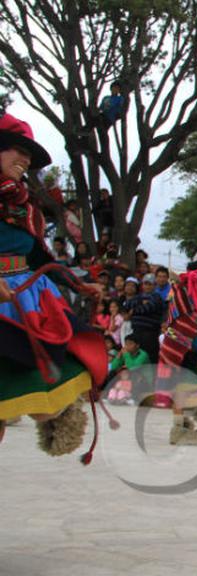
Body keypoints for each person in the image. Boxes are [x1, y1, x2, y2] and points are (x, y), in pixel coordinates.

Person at [0, 112, 107, 453]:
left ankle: (62, 414)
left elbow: (38, 258)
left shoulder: (25, 207)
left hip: (24, 303)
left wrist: (78, 286)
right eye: (18, 150)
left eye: (29, 156)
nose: (25, 160)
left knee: (32, 394)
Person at [157, 259, 197, 446]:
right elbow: (185, 329)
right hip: (179, 348)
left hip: (192, 347)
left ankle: (182, 426)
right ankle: (178, 429)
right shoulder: (183, 297)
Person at [123, 273, 165, 363]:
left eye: (150, 284)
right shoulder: (139, 296)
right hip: (136, 331)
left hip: (150, 333)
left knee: (149, 357)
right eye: (145, 284)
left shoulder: (157, 297)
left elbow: (147, 308)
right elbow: (127, 305)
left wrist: (133, 310)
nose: (147, 286)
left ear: (155, 285)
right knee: (136, 356)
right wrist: (141, 302)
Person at [106, 334, 150, 404]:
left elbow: (133, 368)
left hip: (144, 381)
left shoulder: (143, 355)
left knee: (134, 373)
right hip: (128, 381)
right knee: (112, 373)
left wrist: (126, 355)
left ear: (137, 345)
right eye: (126, 344)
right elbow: (113, 367)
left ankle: (133, 398)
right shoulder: (126, 353)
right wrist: (118, 357)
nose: (127, 346)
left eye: (130, 344)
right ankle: (110, 395)